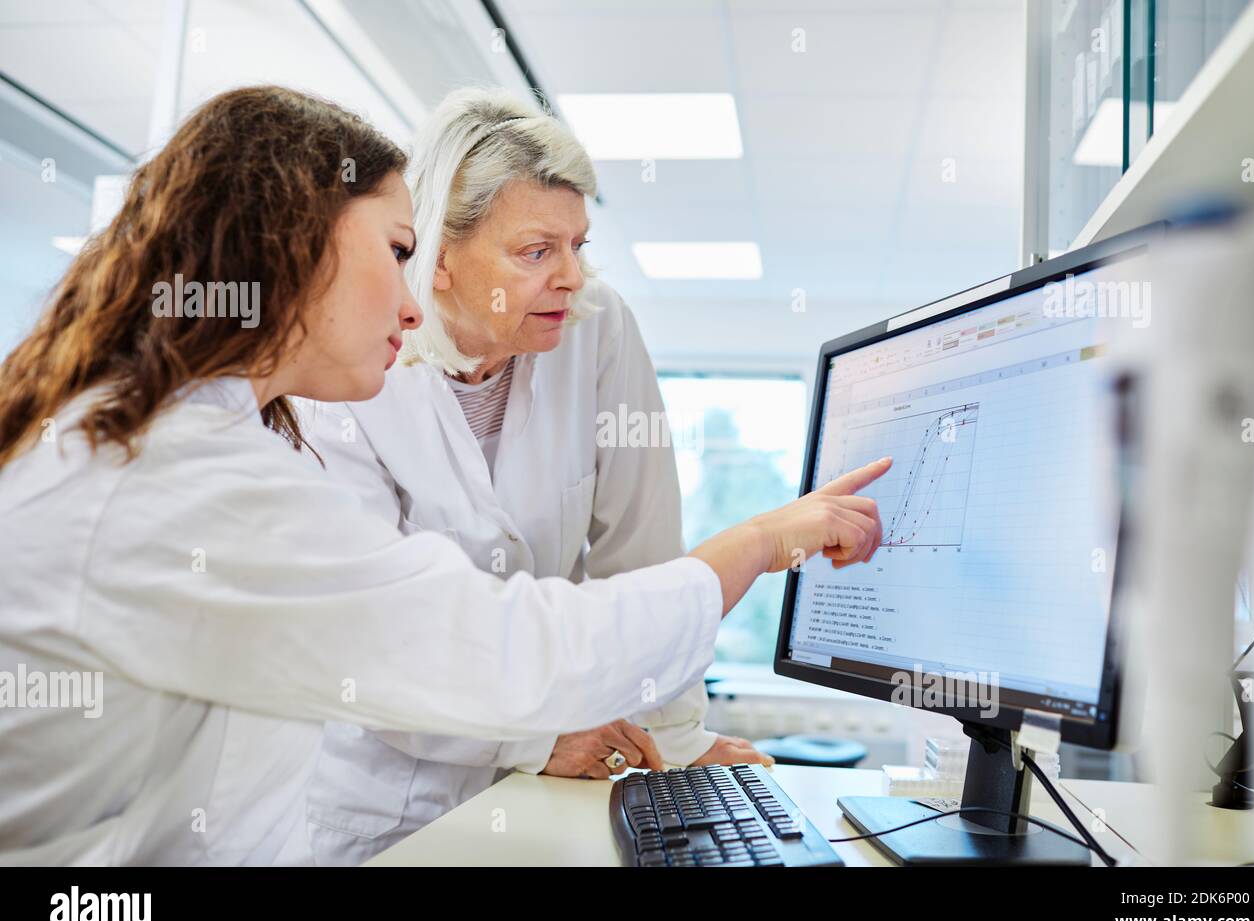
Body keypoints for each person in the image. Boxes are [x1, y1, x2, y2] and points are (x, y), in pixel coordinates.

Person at [0, 86, 890, 864]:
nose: (412, 296)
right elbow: (489, 647)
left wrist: (673, 738)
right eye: (395, 252)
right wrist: (762, 542)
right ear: (295, 246)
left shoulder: (177, 435)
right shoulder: (185, 478)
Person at [297, 88, 774, 864]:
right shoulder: (352, 367)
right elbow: (366, 640)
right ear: (440, 257)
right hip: (379, 806)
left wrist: (677, 747)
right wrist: (531, 735)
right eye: (535, 251)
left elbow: (646, 559)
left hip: (553, 789)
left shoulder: (598, 327)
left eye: (578, 244)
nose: (572, 277)